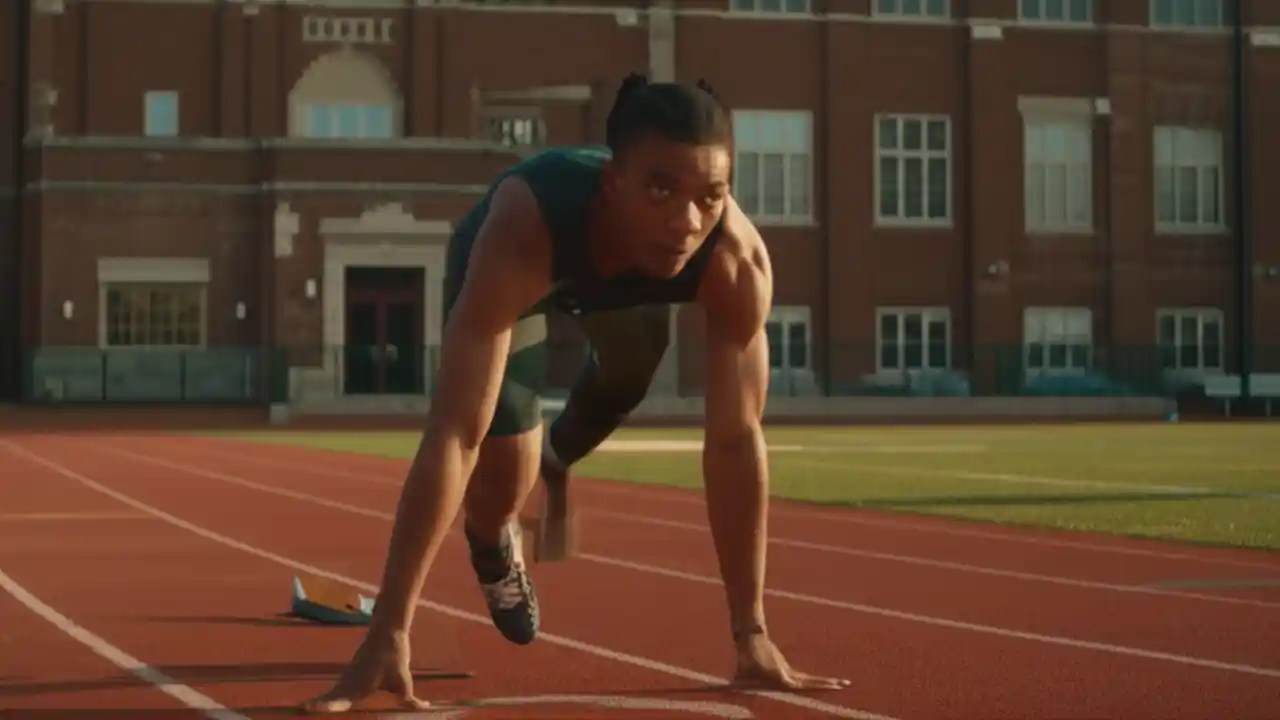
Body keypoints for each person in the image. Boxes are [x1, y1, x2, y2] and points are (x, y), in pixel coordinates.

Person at [302, 73, 851, 714]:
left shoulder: (734, 259)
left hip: (633, 288)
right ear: (613, 183)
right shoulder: (525, 225)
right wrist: (390, 626)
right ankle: (492, 534)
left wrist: (751, 631)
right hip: (534, 272)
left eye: (711, 195)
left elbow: (734, 441)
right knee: (504, 472)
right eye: (660, 189)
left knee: (627, 379)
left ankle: (558, 461)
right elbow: (455, 433)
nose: (686, 220)